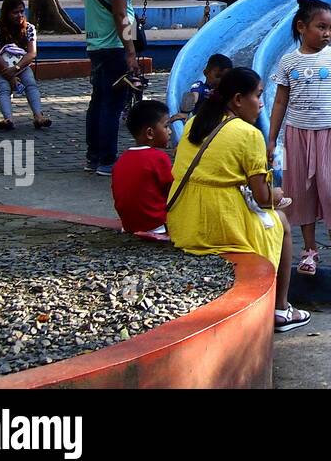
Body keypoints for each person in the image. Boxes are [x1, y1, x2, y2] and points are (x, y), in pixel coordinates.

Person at [167, 67, 309, 333]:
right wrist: (277, 195)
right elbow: (263, 197)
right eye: (258, 95)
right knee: (282, 222)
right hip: (221, 223)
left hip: (184, 219)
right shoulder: (248, 134)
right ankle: (281, 308)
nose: (261, 103)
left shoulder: (192, 125)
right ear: (237, 100)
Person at [268, 0, 331, 285]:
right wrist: (272, 139)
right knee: (302, 194)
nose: (327, 33)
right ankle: (309, 251)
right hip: (297, 135)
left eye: (330, 28)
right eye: (321, 27)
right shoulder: (288, 61)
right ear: (301, 27)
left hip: (330, 133)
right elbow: (280, 101)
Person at [83, 0, 139, 176]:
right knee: (113, 104)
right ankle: (107, 160)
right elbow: (120, 14)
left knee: (98, 102)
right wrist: (130, 50)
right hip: (115, 47)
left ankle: (93, 156)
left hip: (97, 46)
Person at [0, 0, 50, 131]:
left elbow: (31, 53)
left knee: (30, 84)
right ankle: (8, 119)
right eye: (15, 12)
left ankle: (39, 116)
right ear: (6, 13)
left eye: (22, 11)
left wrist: (15, 69)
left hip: (21, 65)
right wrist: (9, 74)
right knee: (3, 87)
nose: (19, 15)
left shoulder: (29, 28)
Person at [111, 100, 174, 236]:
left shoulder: (123, 158)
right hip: (156, 224)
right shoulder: (158, 157)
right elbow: (172, 189)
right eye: (166, 126)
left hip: (129, 223)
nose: (169, 131)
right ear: (150, 133)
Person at [167, 52, 232, 132]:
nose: (220, 80)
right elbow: (192, 97)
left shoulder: (227, 91)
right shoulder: (200, 87)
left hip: (220, 125)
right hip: (201, 124)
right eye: (217, 76)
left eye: (225, 77)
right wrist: (185, 112)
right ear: (205, 73)